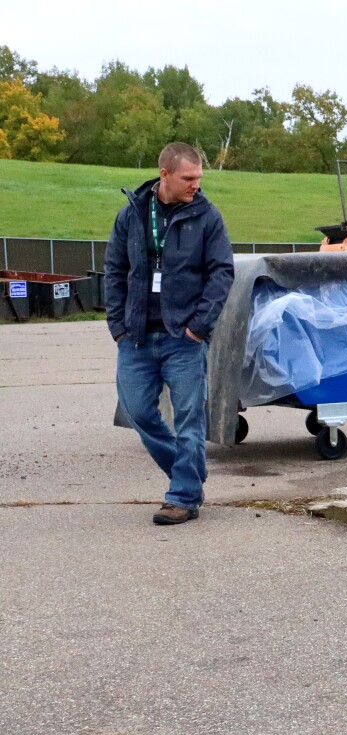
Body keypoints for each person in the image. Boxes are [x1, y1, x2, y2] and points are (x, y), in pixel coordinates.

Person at [105, 141, 234, 525]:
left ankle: (183, 496)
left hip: (184, 339)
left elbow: (222, 273)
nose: (196, 184)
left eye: (199, 178)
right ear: (165, 175)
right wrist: (117, 326)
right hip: (136, 336)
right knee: (138, 411)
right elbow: (114, 269)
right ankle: (189, 473)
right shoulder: (132, 214)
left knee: (190, 418)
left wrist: (199, 327)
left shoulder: (207, 216)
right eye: (188, 178)